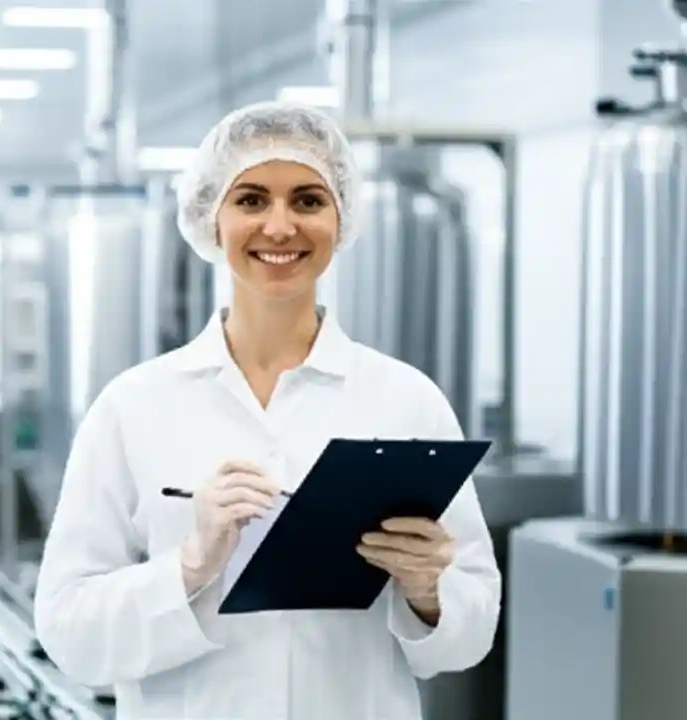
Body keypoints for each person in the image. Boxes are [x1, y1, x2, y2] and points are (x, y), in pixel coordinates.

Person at [32, 101, 501, 719]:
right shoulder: (134, 406)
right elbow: (69, 632)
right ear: (211, 217)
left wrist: (427, 592)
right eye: (251, 200)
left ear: (341, 217)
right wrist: (191, 566)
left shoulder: (405, 400)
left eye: (308, 200)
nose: (280, 227)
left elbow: (472, 632)